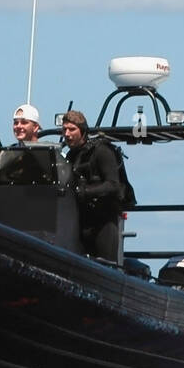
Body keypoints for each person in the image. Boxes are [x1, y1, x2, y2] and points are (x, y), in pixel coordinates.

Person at [62, 109, 128, 263]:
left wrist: (85, 191)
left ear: (83, 131)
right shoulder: (71, 156)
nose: (67, 134)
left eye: (72, 129)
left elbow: (113, 185)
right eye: (64, 130)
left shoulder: (101, 151)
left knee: (105, 265)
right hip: (81, 220)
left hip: (103, 221)